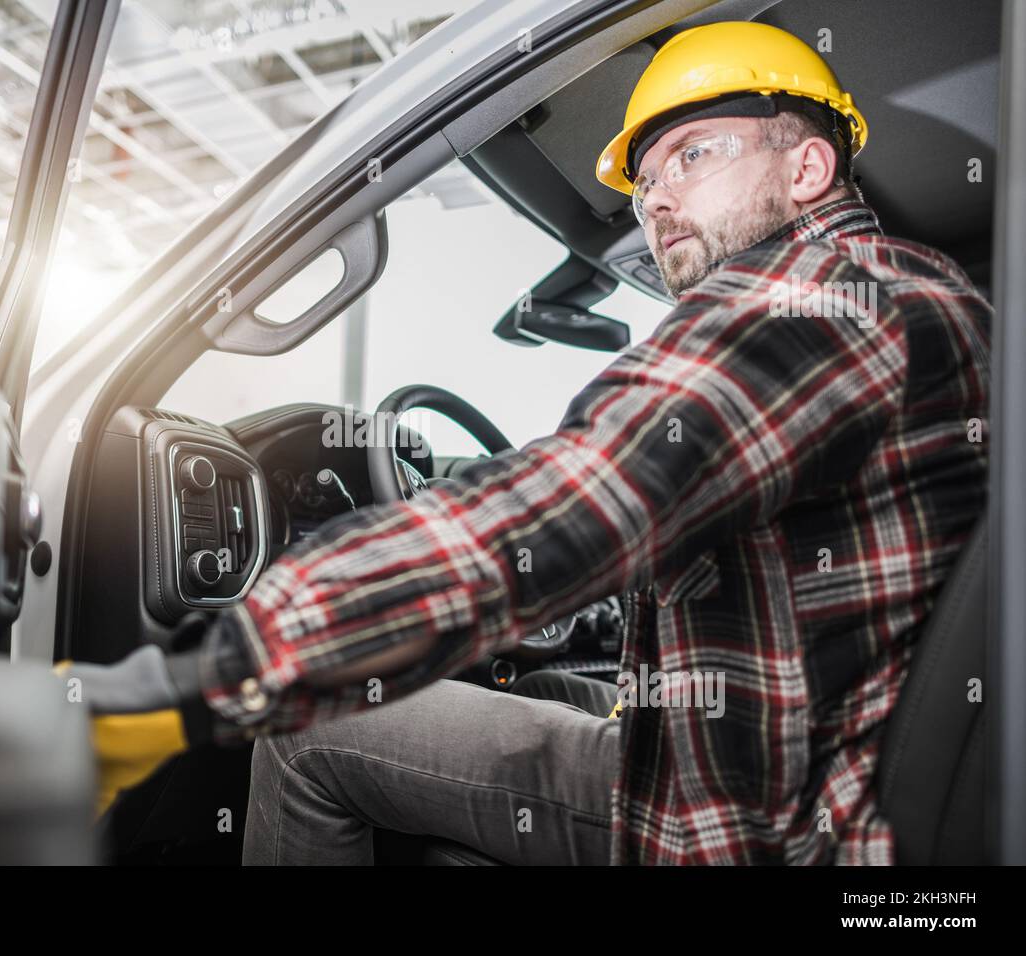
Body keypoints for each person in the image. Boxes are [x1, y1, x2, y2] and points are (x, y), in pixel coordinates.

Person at [67, 21, 991, 865]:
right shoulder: (912, 293)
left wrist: (193, 682)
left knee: (310, 735)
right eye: (646, 178)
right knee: (542, 698)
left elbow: (565, 510)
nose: (657, 200)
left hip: (745, 831)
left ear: (807, 171)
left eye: (693, 155)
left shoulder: (814, 298)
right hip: (801, 766)